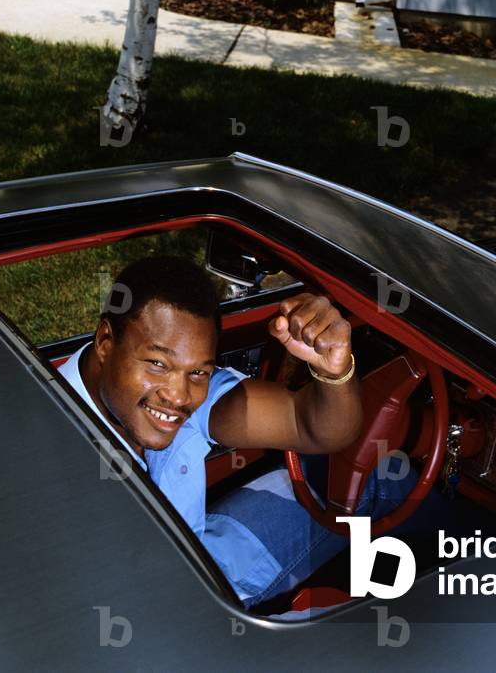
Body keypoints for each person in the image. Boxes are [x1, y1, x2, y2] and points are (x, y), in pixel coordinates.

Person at [58, 255, 423, 607]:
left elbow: (311, 426)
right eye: (157, 364)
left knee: (378, 478)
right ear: (105, 342)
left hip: (200, 566)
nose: (179, 395)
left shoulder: (174, 397)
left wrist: (332, 371)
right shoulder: (50, 448)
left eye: (198, 372)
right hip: (162, 629)